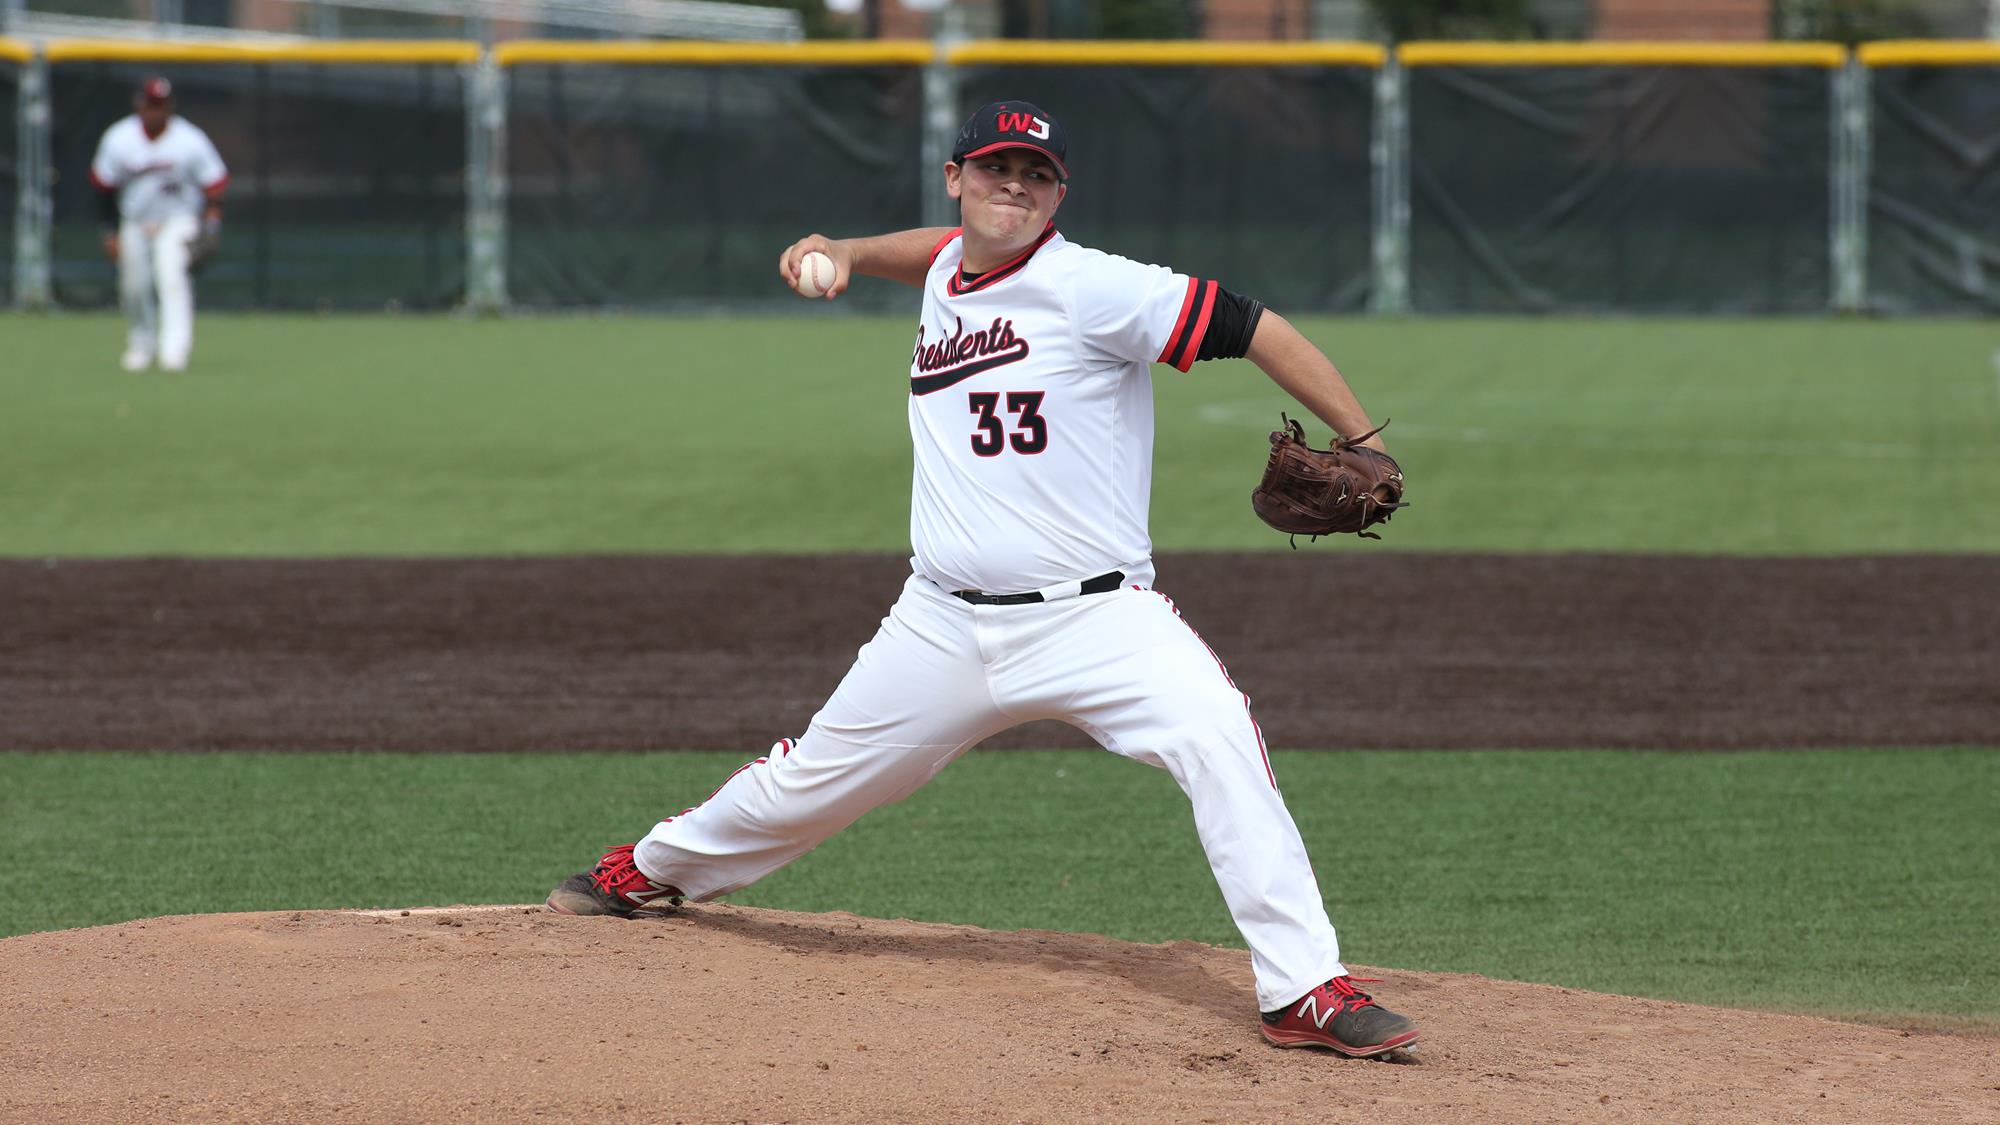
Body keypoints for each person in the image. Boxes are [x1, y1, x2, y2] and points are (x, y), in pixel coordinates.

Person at [547, 100, 1418, 1058]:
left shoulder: (1095, 287)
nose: (1016, 185)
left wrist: (1364, 438)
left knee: (1220, 741)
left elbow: (1256, 327)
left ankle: (1303, 989)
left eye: (1036, 174)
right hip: (939, 627)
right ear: (957, 177)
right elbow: (928, 252)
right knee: (811, 784)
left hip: (1098, 619)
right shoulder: (946, 270)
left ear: (1058, 197)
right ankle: (651, 867)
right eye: (996, 167)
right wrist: (841, 246)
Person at [90, 76, 228, 373]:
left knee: (172, 279)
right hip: (135, 221)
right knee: (134, 287)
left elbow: (215, 185)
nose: (155, 111)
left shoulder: (190, 139)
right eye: (150, 105)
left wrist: (212, 226)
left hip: (178, 220)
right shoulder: (119, 138)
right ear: (139, 105)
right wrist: (109, 232)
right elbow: (104, 188)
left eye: (161, 106)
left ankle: (174, 351)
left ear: (170, 107)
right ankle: (141, 345)